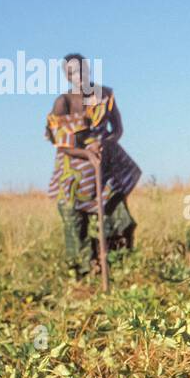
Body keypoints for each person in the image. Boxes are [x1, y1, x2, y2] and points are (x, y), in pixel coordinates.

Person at [45, 53, 141, 278]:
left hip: (105, 166)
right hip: (74, 171)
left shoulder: (105, 95)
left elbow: (117, 130)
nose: (77, 76)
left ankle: (112, 267)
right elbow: (61, 143)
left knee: (119, 221)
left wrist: (103, 143)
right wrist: (86, 153)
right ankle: (82, 276)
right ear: (66, 76)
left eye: (80, 70)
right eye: (70, 73)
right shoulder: (63, 103)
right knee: (75, 226)